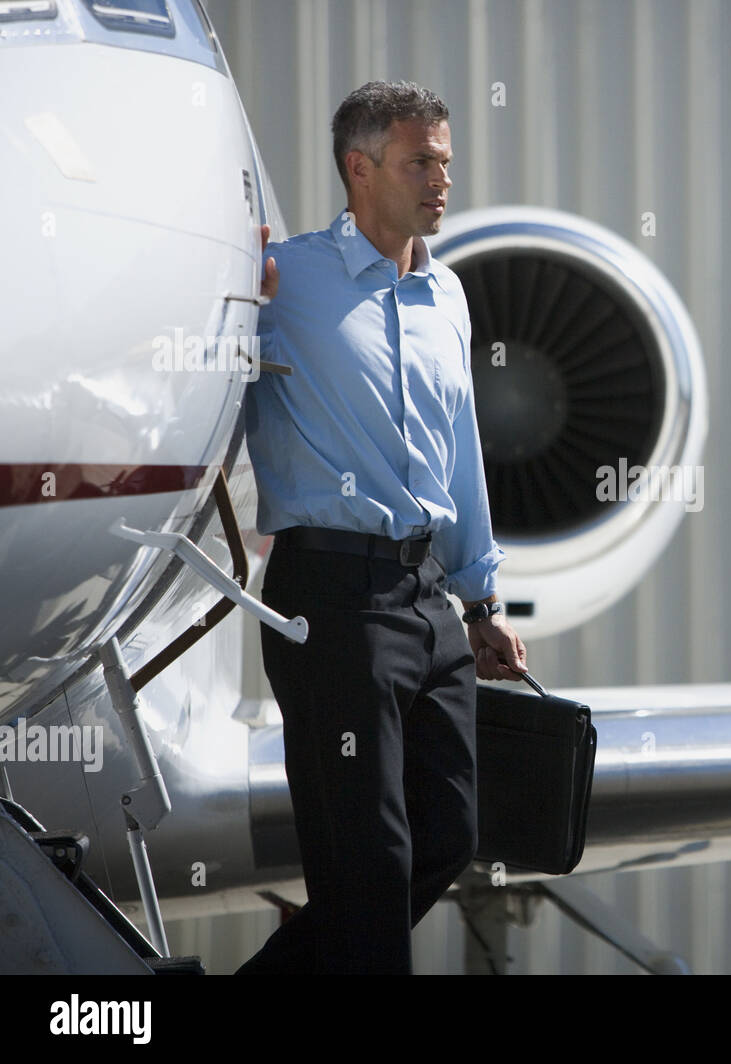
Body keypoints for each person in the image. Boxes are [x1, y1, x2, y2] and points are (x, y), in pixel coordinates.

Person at [237, 80, 527, 974]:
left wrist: (482, 604)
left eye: (445, 160)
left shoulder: (446, 295)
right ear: (360, 169)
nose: (441, 179)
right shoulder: (280, 281)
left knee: (449, 834)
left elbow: (463, 452)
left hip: (429, 604)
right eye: (420, 162)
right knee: (370, 864)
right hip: (332, 601)